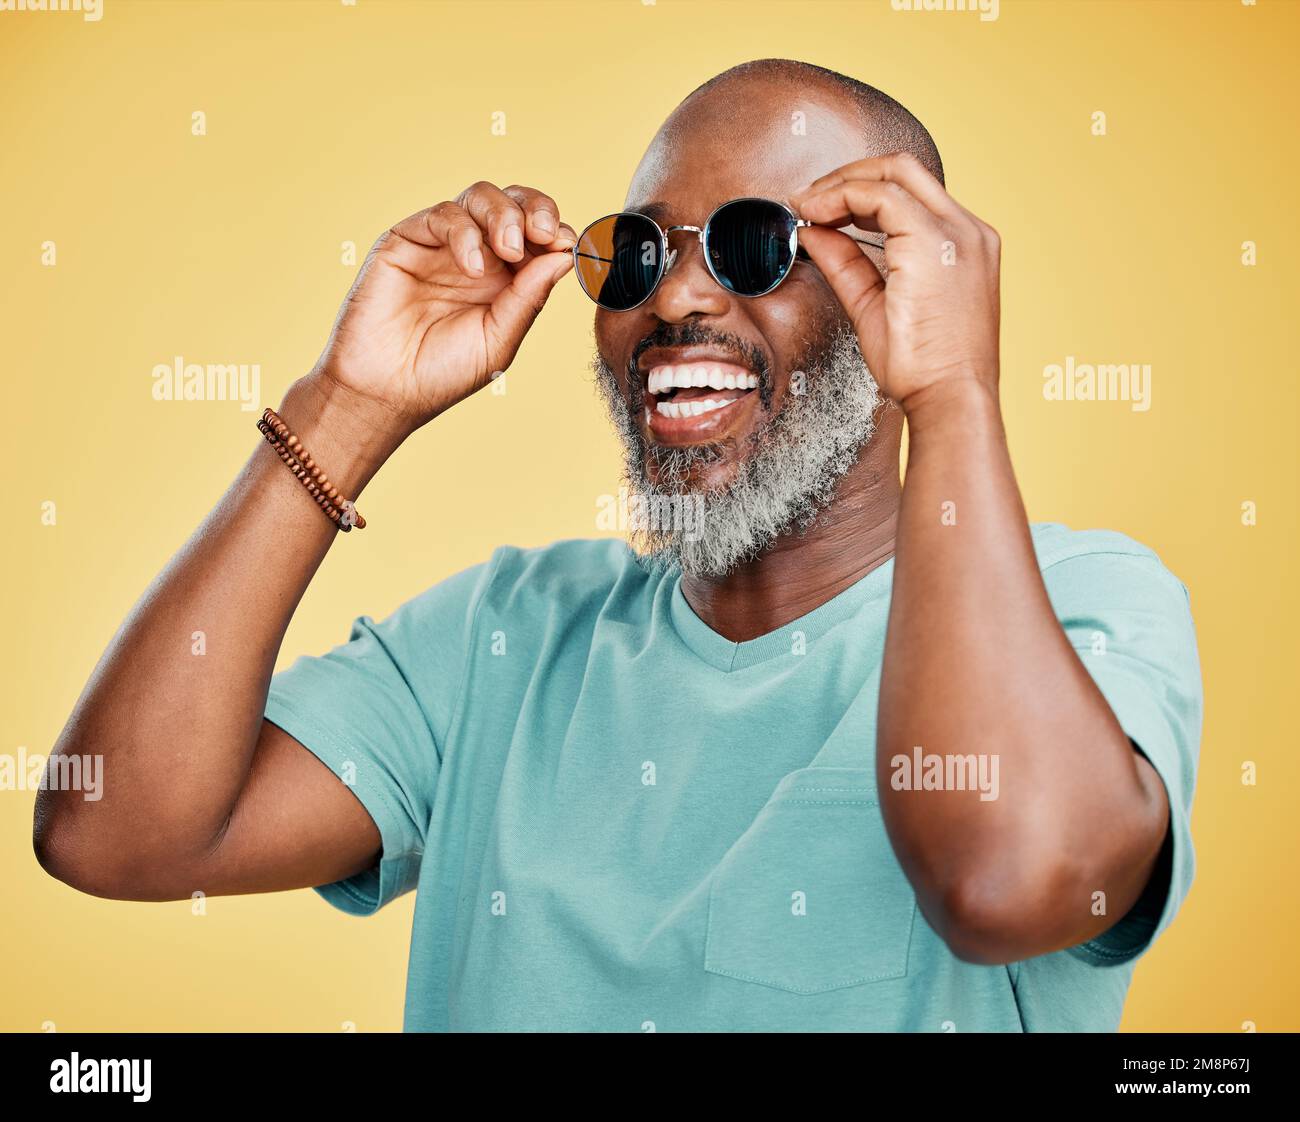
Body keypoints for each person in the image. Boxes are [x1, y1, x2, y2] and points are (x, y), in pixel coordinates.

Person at [34, 59, 1202, 1032]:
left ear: (899, 282)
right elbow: (113, 830)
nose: (674, 300)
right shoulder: (507, 637)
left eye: (751, 245)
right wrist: (348, 404)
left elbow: (1003, 881)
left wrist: (951, 389)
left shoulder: (1078, 607)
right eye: (634, 255)